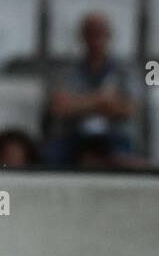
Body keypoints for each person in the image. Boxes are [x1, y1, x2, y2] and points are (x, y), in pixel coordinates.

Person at [46, 12, 139, 166]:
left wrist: (78, 103)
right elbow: (59, 108)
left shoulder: (126, 71)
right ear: (82, 36)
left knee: (125, 159)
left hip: (113, 135)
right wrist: (102, 100)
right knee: (49, 157)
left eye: (100, 32)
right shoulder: (65, 71)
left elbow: (129, 109)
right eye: (90, 32)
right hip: (73, 135)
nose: (95, 38)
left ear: (109, 35)